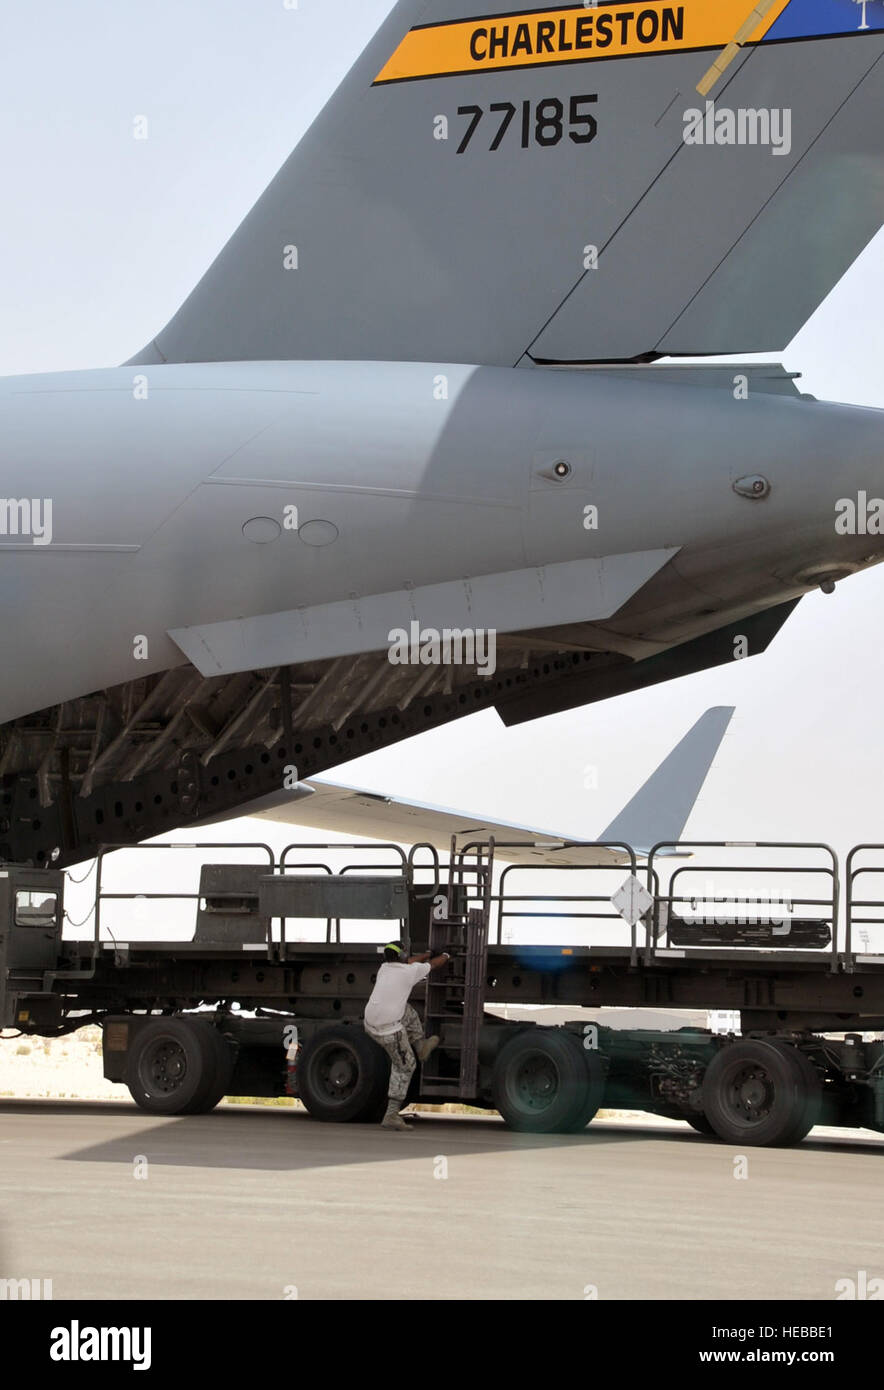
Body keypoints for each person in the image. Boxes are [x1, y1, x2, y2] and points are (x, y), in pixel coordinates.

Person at [364, 940, 450, 1131]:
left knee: (408, 1011)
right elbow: (434, 965)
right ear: (401, 956)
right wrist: (446, 956)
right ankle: (391, 1115)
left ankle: (421, 1046)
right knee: (405, 1066)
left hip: (370, 1023)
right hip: (388, 1030)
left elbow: (410, 960)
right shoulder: (409, 972)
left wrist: (427, 953)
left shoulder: (384, 968)